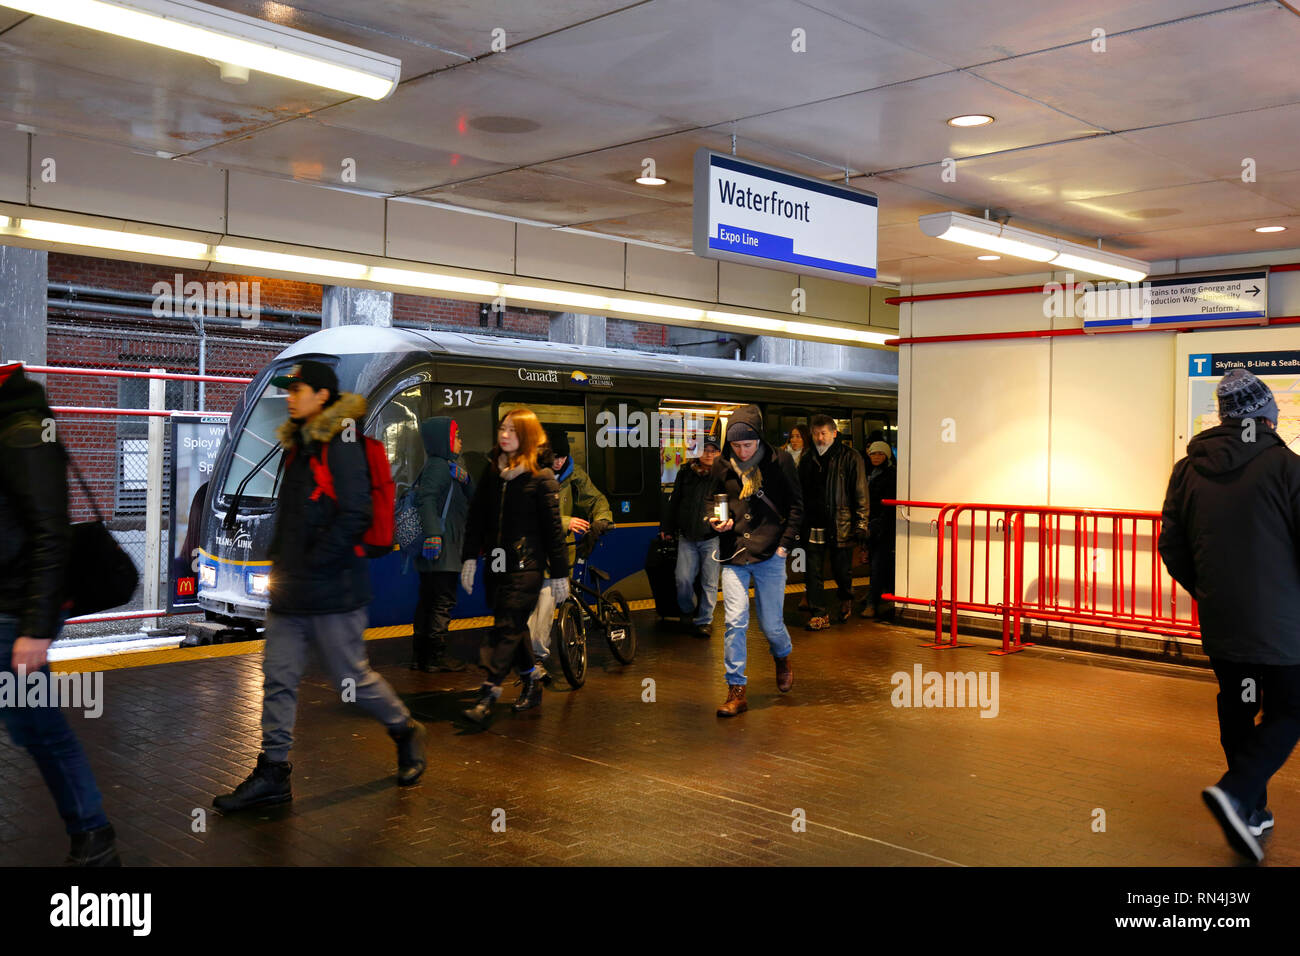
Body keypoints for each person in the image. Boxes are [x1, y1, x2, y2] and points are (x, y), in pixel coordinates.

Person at [214, 360, 427, 812]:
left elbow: (355, 514)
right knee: (279, 679)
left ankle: (405, 729)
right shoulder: (299, 447)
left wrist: (313, 563)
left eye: (300, 389)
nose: (291, 396)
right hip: (292, 590)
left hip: (334, 590)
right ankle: (274, 774)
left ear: (323, 397)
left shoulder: (342, 445)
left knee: (351, 677)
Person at [1158, 368, 1300, 863]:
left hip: (1223, 621)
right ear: (1263, 414)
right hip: (1285, 629)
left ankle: (1252, 810)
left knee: (1239, 704)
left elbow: (1171, 545)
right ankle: (1238, 792)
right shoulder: (1287, 467)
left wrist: (1208, 591)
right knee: (1289, 710)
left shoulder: (1187, 469)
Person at [0, 361, 120, 865]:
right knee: (33, 726)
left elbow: (50, 533)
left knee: (39, 728)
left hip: (12, 612)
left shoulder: (24, 430)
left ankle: (93, 834)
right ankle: (92, 833)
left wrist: (35, 630)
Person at [461, 409, 569, 723]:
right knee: (516, 627)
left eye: (512, 430)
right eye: (502, 428)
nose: (504, 434)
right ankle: (533, 679)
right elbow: (476, 519)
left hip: (527, 567)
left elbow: (552, 531)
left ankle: (489, 691)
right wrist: (470, 556)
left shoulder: (541, 478)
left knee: (506, 626)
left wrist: (560, 573)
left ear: (527, 436)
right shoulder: (493, 472)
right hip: (496, 565)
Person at [709, 404, 803, 717]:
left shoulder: (781, 461)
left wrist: (784, 546)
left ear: (759, 439)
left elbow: (797, 507)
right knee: (735, 622)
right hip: (734, 553)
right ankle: (737, 689)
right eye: (736, 446)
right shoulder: (721, 465)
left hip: (770, 554)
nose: (743, 451)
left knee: (772, 625)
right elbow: (710, 503)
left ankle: (782, 655)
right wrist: (714, 521)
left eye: (748, 445)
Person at [526, 424, 611, 674]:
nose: (560, 462)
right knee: (541, 604)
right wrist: (566, 522)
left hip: (563, 553)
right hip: (537, 553)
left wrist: (602, 519)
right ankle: (535, 658)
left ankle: (536, 653)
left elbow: (596, 499)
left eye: (563, 456)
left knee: (549, 603)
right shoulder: (530, 477)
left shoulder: (574, 475)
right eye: (555, 456)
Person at [411, 416, 473, 672]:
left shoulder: (444, 466)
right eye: (456, 435)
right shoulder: (439, 466)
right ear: (443, 439)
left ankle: (421, 658)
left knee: (428, 600)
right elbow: (426, 500)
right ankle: (435, 659)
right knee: (442, 601)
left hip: (437, 545)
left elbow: (472, 499)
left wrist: (466, 480)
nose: (460, 441)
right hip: (441, 547)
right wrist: (435, 534)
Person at [798, 414, 868, 629]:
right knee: (813, 571)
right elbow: (800, 490)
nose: (820, 438)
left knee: (841, 570)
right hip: (813, 523)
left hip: (840, 523)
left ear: (834, 433)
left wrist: (862, 523)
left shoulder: (850, 456)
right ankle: (819, 613)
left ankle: (846, 597)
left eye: (824, 433)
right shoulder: (808, 457)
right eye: (816, 434)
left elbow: (860, 490)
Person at [660, 434, 722, 639]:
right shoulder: (685, 473)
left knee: (710, 582)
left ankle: (704, 621)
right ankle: (688, 609)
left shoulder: (723, 474)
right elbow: (674, 500)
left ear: (719, 453)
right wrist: (667, 528)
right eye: (705, 450)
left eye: (713, 450)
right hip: (687, 536)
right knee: (683, 579)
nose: (709, 454)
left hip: (711, 536)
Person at [860, 440, 897, 621]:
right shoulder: (866, 473)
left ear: (886, 456)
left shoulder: (891, 475)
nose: (876, 457)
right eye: (873, 453)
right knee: (875, 564)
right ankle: (881, 594)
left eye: (880, 454)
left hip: (882, 528)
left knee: (877, 565)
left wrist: (877, 524)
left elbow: (888, 505)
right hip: (869, 524)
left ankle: (872, 603)